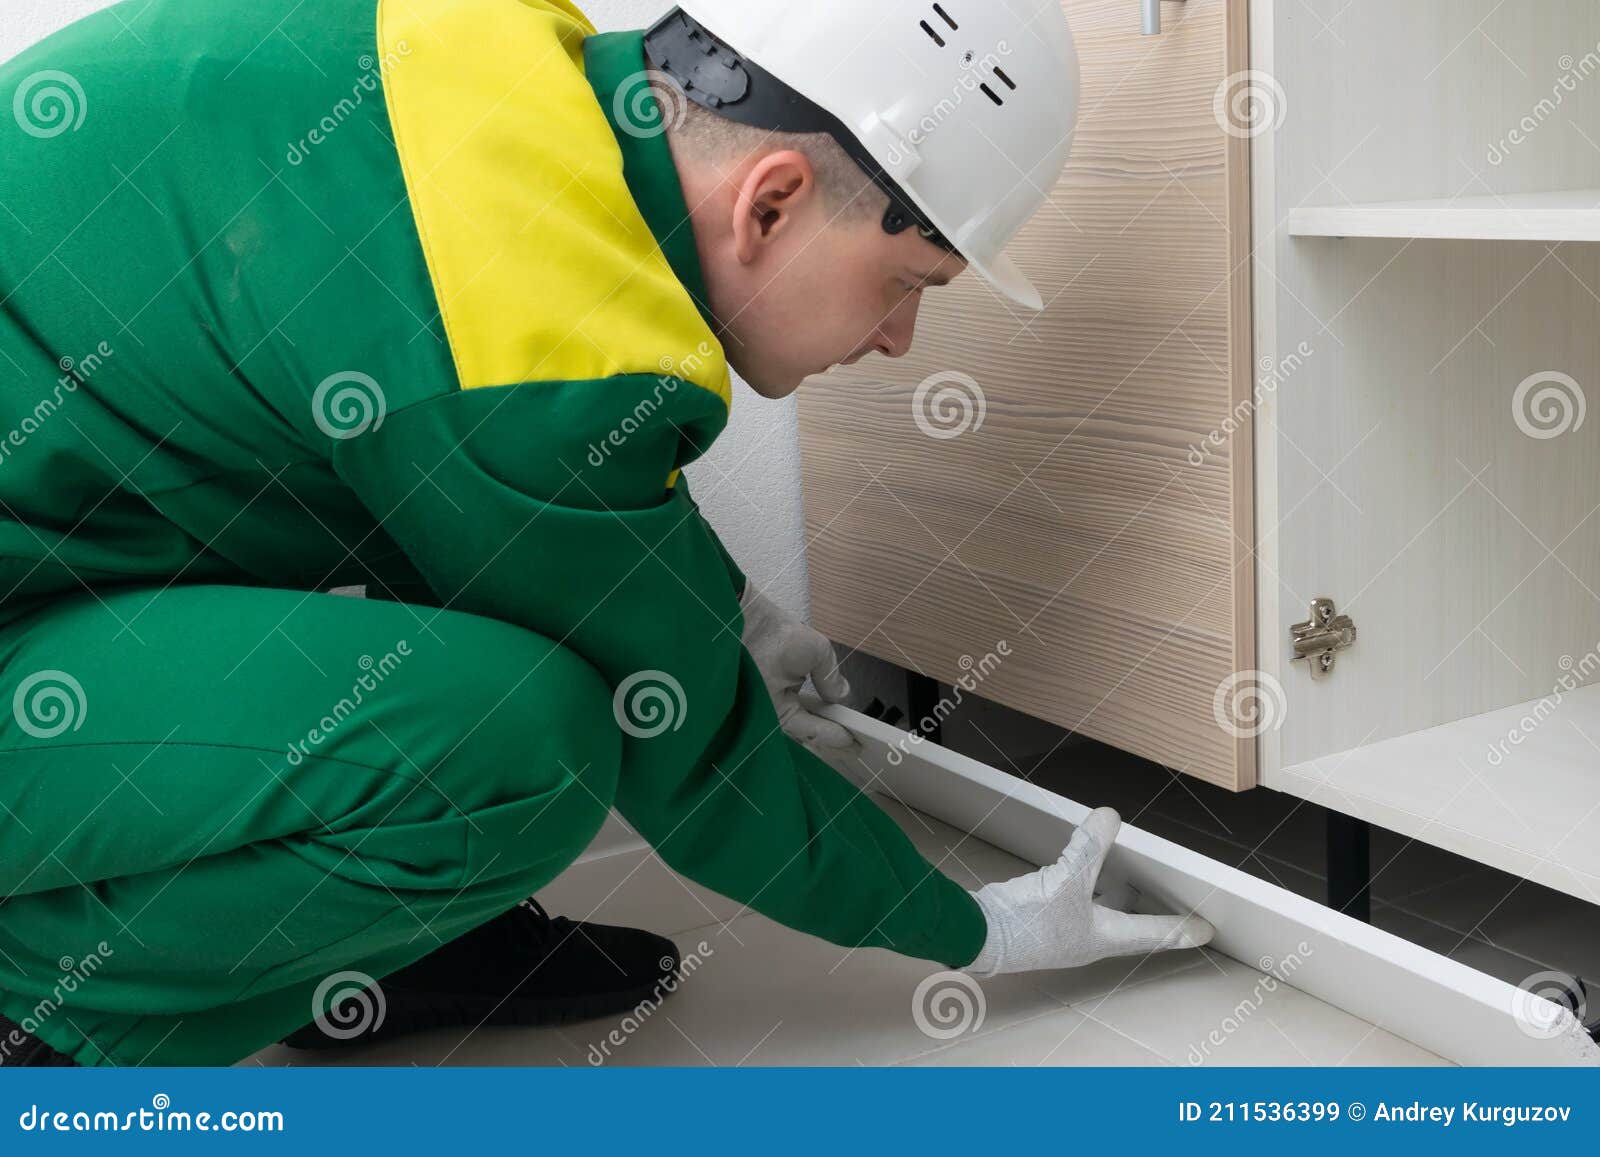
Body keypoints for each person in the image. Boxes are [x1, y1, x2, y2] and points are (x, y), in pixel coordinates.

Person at [0, 0, 1211, 1067]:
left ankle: (368, 949)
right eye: (907, 283)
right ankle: (46, 1018)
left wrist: (722, 612)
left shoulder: (508, 59)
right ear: (773, 198)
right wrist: (978, 929)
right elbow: (685, 754)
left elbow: (508, 475)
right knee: (522, 748)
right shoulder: (527, 338)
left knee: (454, 591)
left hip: (63, 562)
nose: (897, 340)